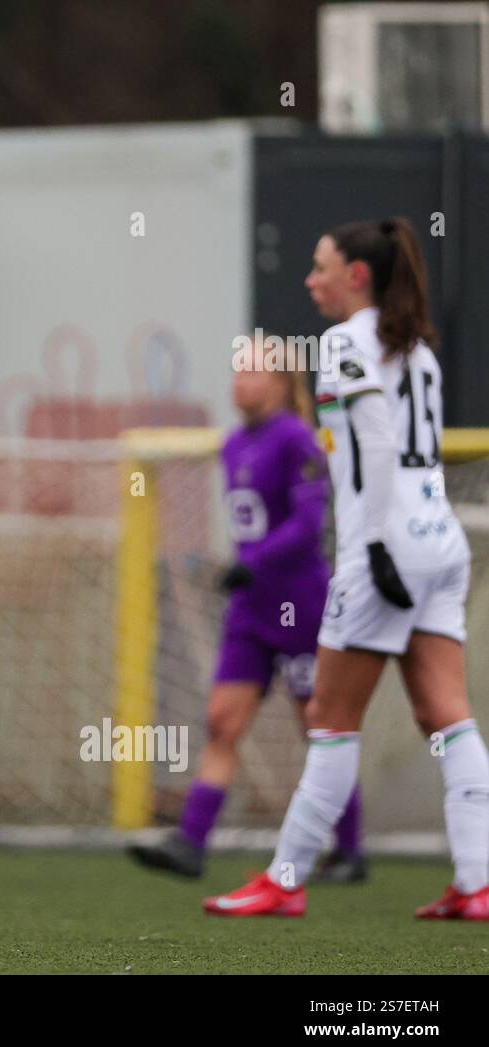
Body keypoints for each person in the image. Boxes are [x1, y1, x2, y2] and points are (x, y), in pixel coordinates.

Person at [204, 218, 489, 919]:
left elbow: (377, 441)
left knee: (330, 717)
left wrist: (381, 549)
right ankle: (478, 883)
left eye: (320, 266)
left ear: (356, 275)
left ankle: (287, 878)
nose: (310, 279)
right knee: (446, 715)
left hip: (384, 548)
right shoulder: (415, 346)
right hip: (442, 539)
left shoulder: (343, 342)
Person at [129, 342, 366, 881]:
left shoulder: (297, 439)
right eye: (238, 369)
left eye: (254, 370)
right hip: (251, 607)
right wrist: (246, 570)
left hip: (299, 602)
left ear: (283, 382)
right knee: (221, 722)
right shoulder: (234, 443)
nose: (240, 380)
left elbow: (307, 525)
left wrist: (253, 562)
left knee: (319, 726)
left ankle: (350, 850)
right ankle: (191, 842)